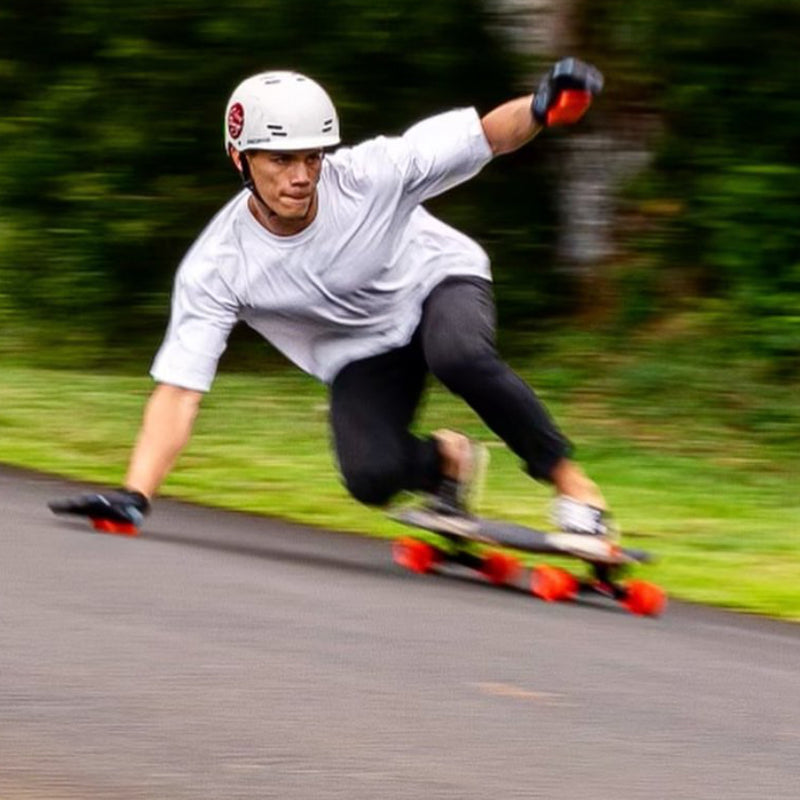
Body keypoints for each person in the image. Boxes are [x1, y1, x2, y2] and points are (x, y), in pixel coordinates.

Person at [50, 59, 614, 539]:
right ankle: (447, 464)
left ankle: (578, 493)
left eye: (312, 157)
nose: (300, 176)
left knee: (460, 357)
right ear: (240, 159)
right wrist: (135, 495)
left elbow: (489, 135)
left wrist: (542, 107)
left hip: (435, 280)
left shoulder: (373, 174)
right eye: (280, 160)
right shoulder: (219, 264)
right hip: (361, 344)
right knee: (371, 477)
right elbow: (178, 392)